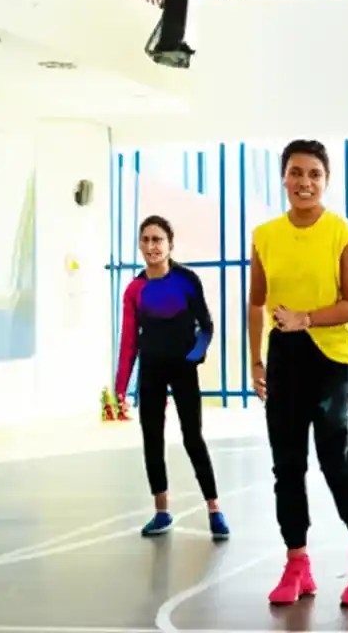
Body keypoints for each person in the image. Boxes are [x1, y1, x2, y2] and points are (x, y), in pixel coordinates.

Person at [249, 139, 348, 607]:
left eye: (314, 175)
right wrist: (256, 360)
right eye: (296, 173)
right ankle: (297, 563)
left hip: (333, 361)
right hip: (283, 357)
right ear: (283, 177)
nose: (304, 182)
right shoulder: (264, 235)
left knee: (334, 459)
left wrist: (306, 317)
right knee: (287, 465)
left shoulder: (345, 234)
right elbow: (256, 301)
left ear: (325, 181)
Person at [114, 215, 228, 540]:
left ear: (169, 244)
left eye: (157, 240)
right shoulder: (135, 289)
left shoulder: (187, 280)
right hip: (151, 371)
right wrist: (121, 387)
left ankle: (215, 509)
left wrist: (195, 355)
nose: (152, 246)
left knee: (193, 437)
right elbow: (128, 341)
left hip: (183, 370)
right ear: (140, 245)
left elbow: (206, 326)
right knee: (152, 440)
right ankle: (162, 510)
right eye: (146, 240)